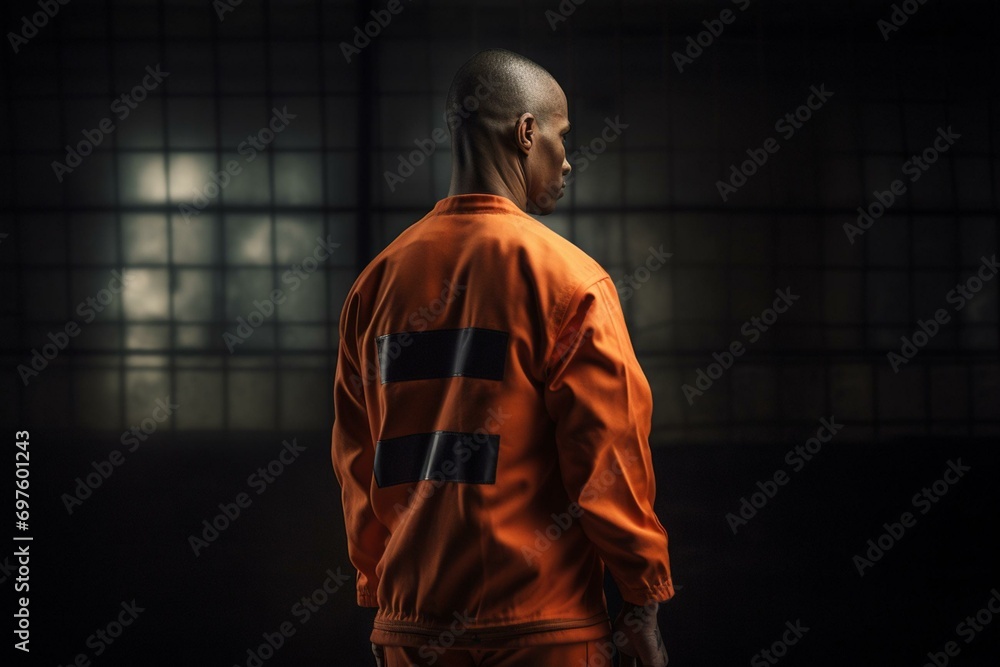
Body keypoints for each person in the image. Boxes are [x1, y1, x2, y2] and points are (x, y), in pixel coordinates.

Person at [331, 48, 674, 667]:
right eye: (562, 138)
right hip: (544, 632)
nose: (568, 161)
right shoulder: (570, 281)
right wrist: (642, 600)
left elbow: (357, 459)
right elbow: (608, 457)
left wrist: (385, 603)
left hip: (414, 636)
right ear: (525, 133)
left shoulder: (376, 284)